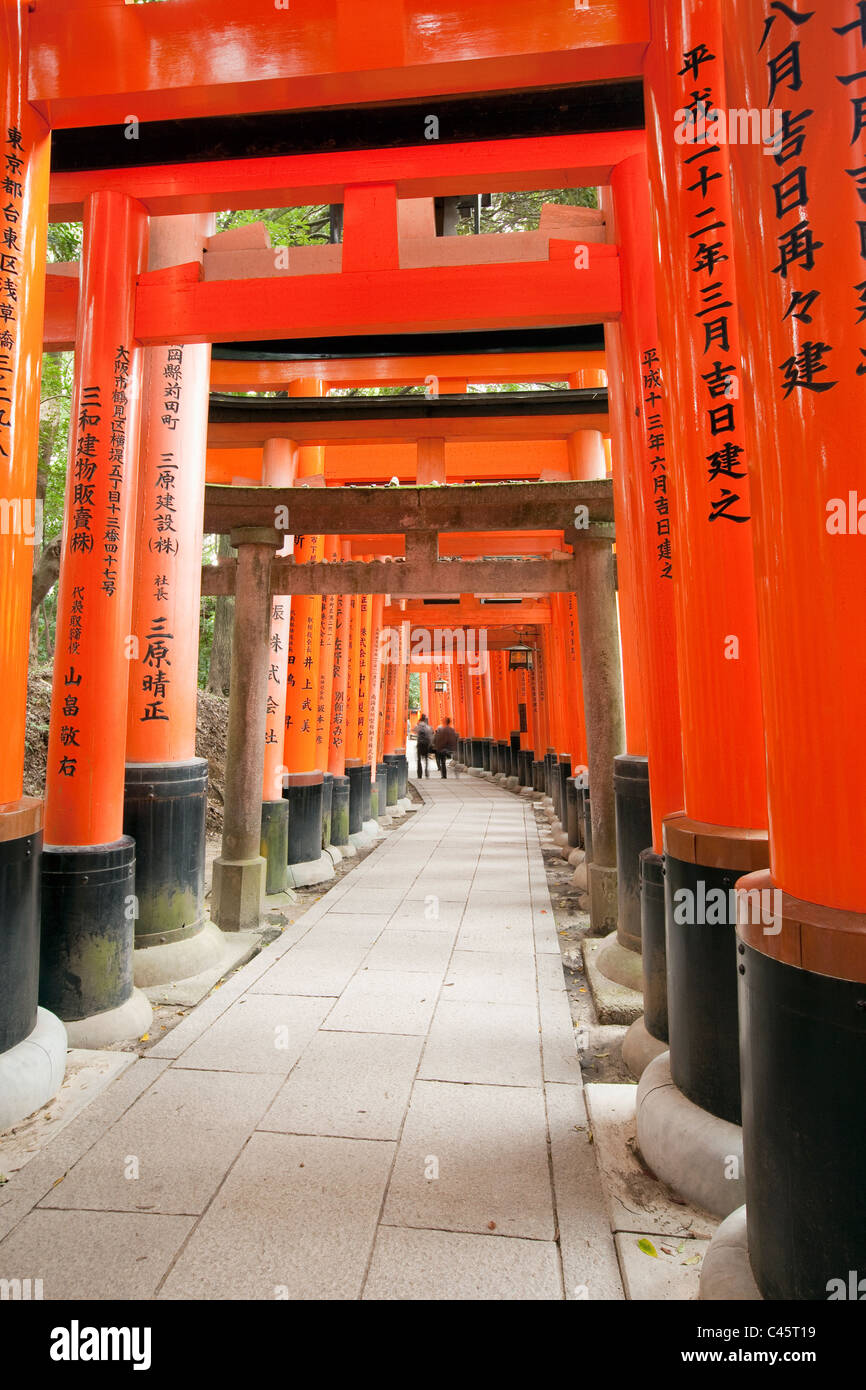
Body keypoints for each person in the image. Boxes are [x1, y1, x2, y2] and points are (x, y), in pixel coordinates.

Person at [414, 713, 433, 777]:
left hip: (419, 744)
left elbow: (414, 731)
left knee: (418, 759)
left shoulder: (418, 726)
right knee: (426, 759)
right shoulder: (428, 727)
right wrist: (430, 744)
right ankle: (426, 771)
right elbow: (430, 736)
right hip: (426, 745)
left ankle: (419, 773)